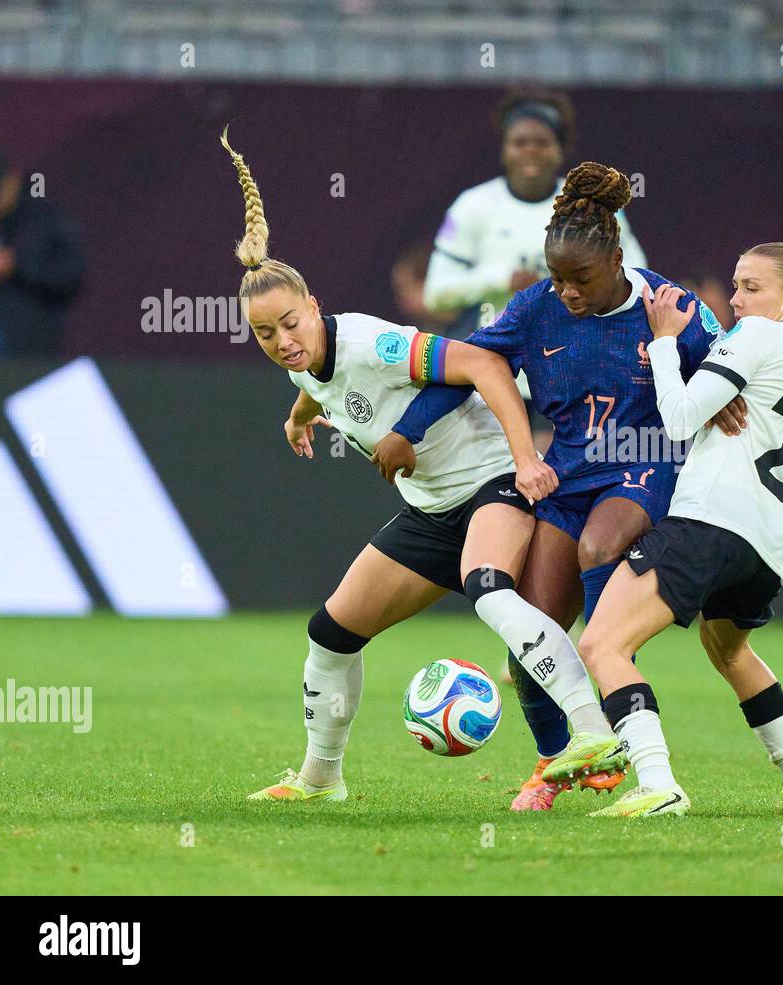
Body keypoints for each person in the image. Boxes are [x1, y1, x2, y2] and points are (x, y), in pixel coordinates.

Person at [217, 128, 623, 804]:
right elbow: (317, 382)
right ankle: (320, 780)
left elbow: (480, 361)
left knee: (489, 587)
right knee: (331, 633)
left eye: (291, 323)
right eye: (264, 333)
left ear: (314, 307)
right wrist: (297, 418)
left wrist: (526, 461)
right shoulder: (312, 363)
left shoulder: (373, 342)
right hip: (434, 509)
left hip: (494, 481)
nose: (283, 341)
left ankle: (591, 731)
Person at [380, 161, 736, 811]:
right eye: (557, 278)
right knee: (529, 641)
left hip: (645, 462)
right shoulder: (536, 307)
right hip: (568, 470)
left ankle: (608, 709)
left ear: (618, 259)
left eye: (581, 279)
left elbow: (730, 360)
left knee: (599, 548)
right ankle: (554, 765)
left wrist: (727, 394)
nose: (567, 293)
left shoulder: (666, 305)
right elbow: (472, 364)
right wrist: (409, 428)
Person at [537, 243, 783, 817]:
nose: (735, 299)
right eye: (735, 285)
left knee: (602, 644)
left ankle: (658, 784)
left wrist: (661, 340)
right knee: (729, 650)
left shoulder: (755, 337)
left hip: (711, 522)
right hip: (768, 544)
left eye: (751, 287)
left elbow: (680, 418)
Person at [420, 90, 645, 335]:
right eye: (519, 143)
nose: (530, 151)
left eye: (542, 143)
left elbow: (637, 277)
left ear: (560, 149)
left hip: (580, 351)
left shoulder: (592, 203)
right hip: (500, 355)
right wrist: (502, 279)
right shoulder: (473, 205)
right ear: (504, 150)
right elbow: (435, 293)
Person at [0, 149, 85, 358]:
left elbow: (70, 276)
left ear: (12, 181)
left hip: (29, 347)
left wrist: (14, 266)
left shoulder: (44, 221)